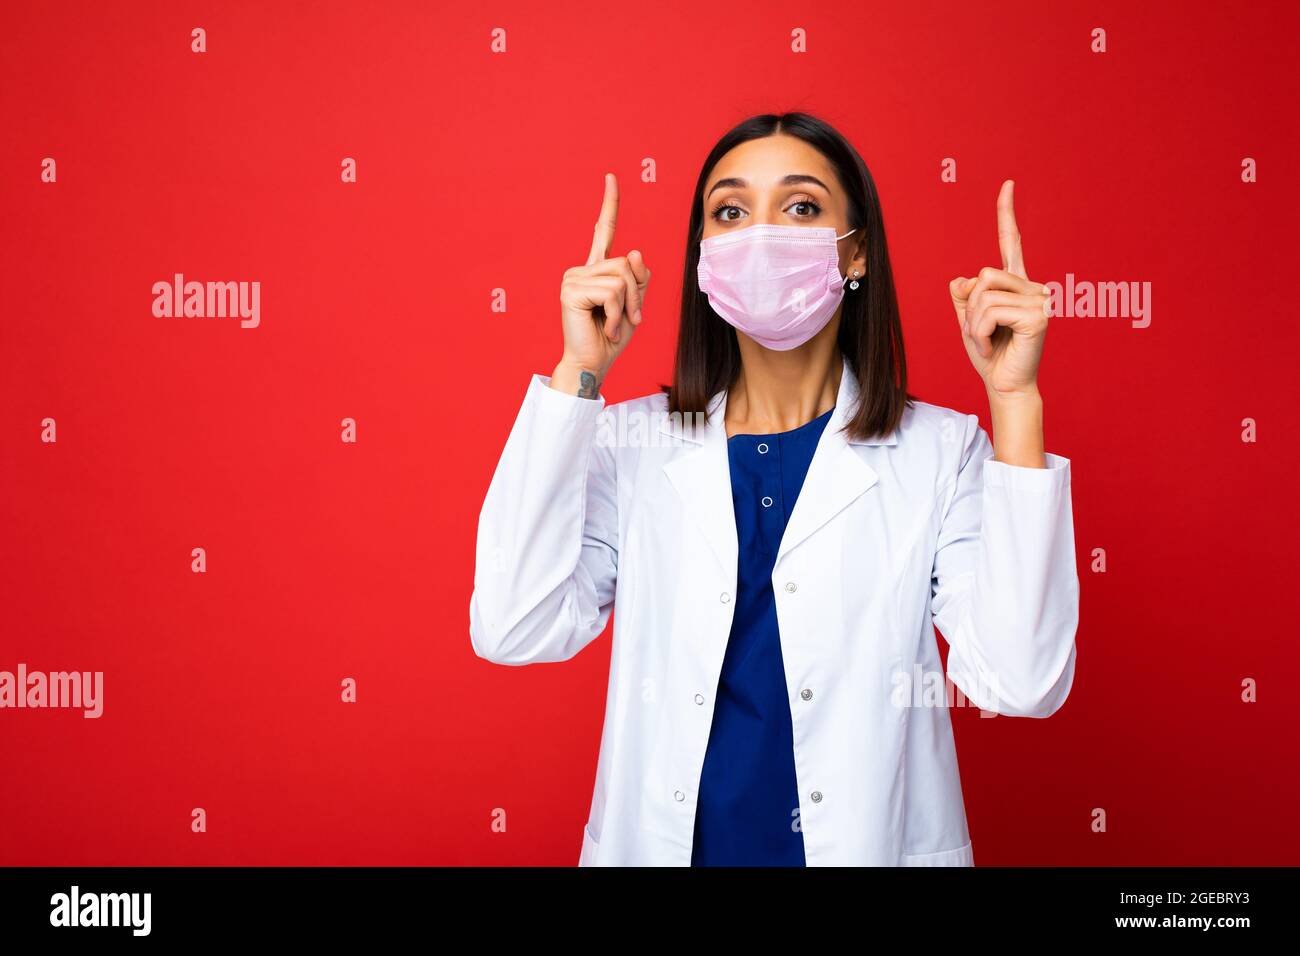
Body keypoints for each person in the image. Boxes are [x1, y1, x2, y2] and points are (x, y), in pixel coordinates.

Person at [468, 112, 1078, 866]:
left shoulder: (941, 453)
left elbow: (1021, 680)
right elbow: (512, 625)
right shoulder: (631, 446)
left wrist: (1016, 404)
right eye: (729, 210)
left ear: (855, 253)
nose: (760, 235)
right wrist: (577, 373)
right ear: (701, 257)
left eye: (800, 207)